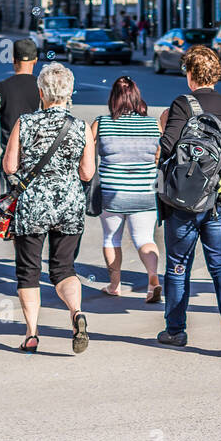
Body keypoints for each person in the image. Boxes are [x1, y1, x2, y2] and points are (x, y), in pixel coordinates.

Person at [156, 45, 221, 354]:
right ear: (215, 74)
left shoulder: (183, 104)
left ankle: (176, 330)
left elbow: (167, 147)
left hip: (185, 203)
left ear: (190, 75)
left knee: (177, 264)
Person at [1, 62, 93, 354]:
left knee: (28, 271)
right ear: (69, 93)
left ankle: (31, 333)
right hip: (69, 205)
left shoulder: (25, 123)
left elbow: (9, 166)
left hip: (32, 206)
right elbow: (87, 173)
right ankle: (76, 313)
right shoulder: (80, 127)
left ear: (41, 92)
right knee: (64, 268)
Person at [91, 76, 162, 301]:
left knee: (111, 239)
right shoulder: (152, 124)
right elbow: (159, 157)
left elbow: (86, 155)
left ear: (113, 98)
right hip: (145, 192)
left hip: (112, 192)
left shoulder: (101, 122)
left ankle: (115, 285)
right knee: (144, 238)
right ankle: (154, 280)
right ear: (136, 97)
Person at [0, 38, 42, 197]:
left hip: (10, 161)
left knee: (5, 214)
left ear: (13, 60)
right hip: (39, 160)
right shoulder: (44, 88)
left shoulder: (0, 89)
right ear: (35, 60)